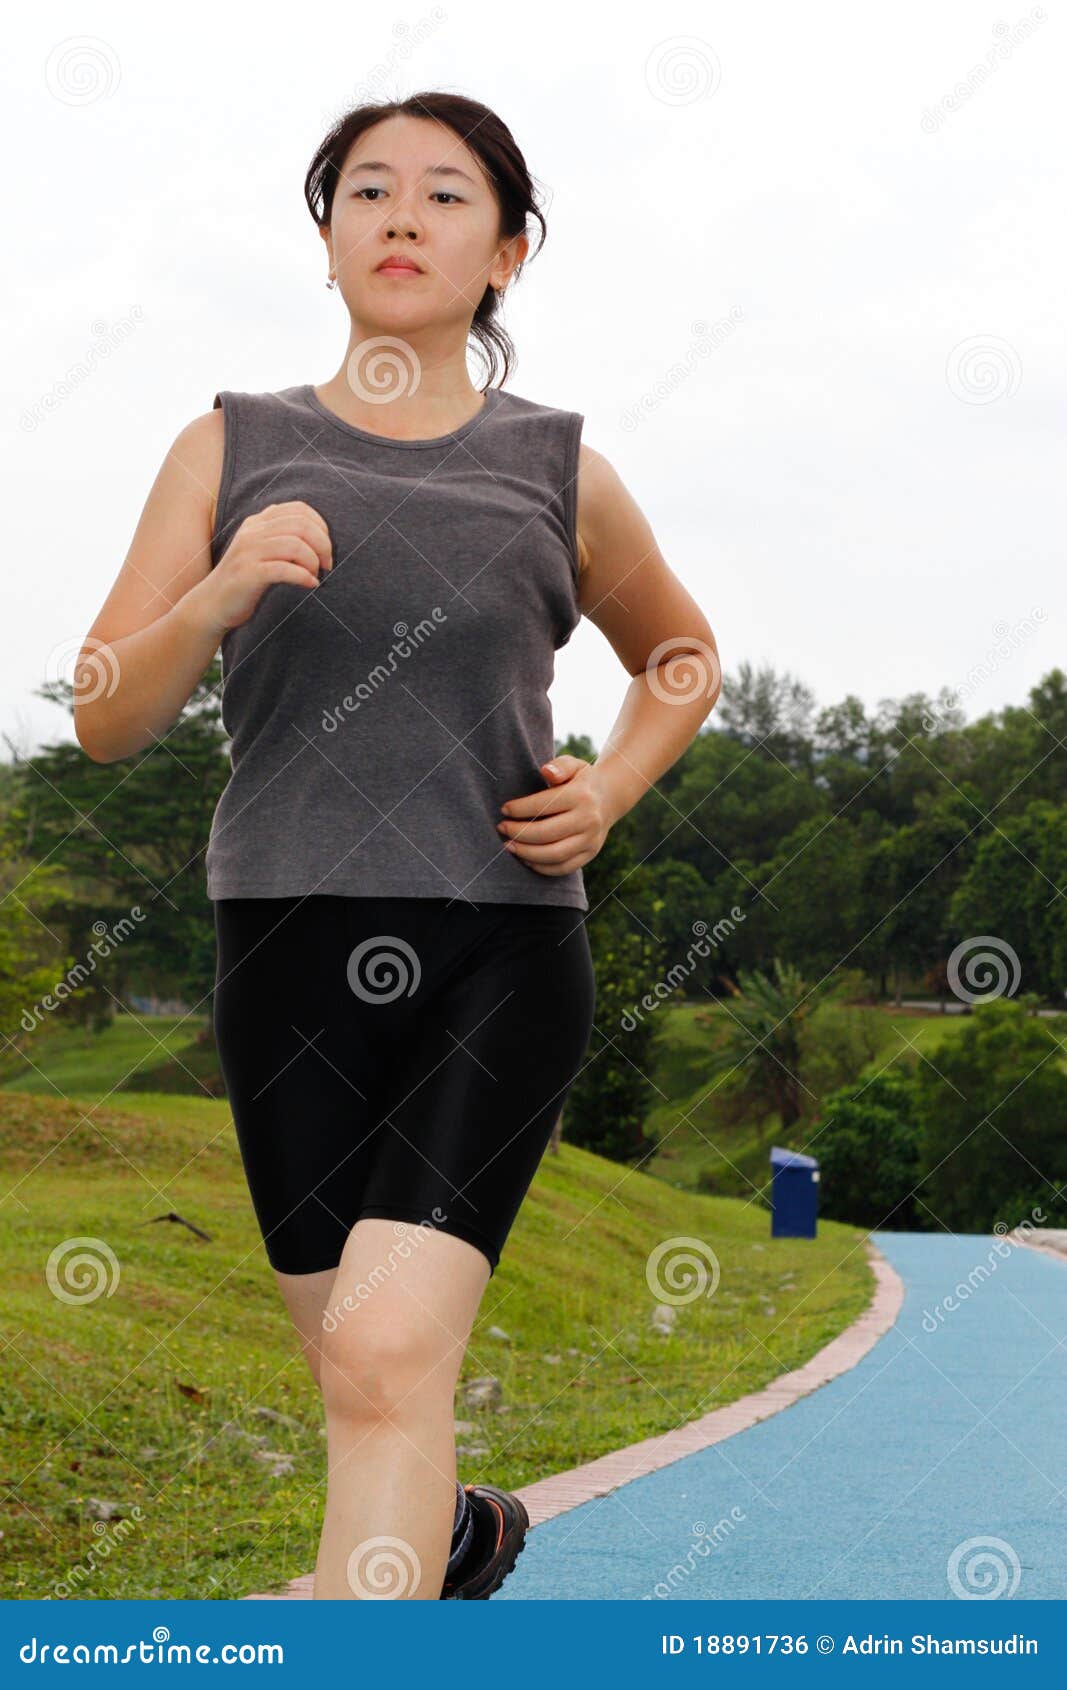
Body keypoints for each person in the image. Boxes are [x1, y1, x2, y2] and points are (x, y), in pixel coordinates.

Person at [74, 90, 720, 1601]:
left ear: (505, 253)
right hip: (285, 948)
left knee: (379, 1345)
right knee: (369, 1373)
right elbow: (106, 713)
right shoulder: (226, 445)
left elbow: (681, 655)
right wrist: (216, 593)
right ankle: (448, 1538)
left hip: (501, 941)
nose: (404, 218)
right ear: (326, 242)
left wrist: (611, 790)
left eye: (445, 196)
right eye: (368, 192)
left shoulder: (559, 467)